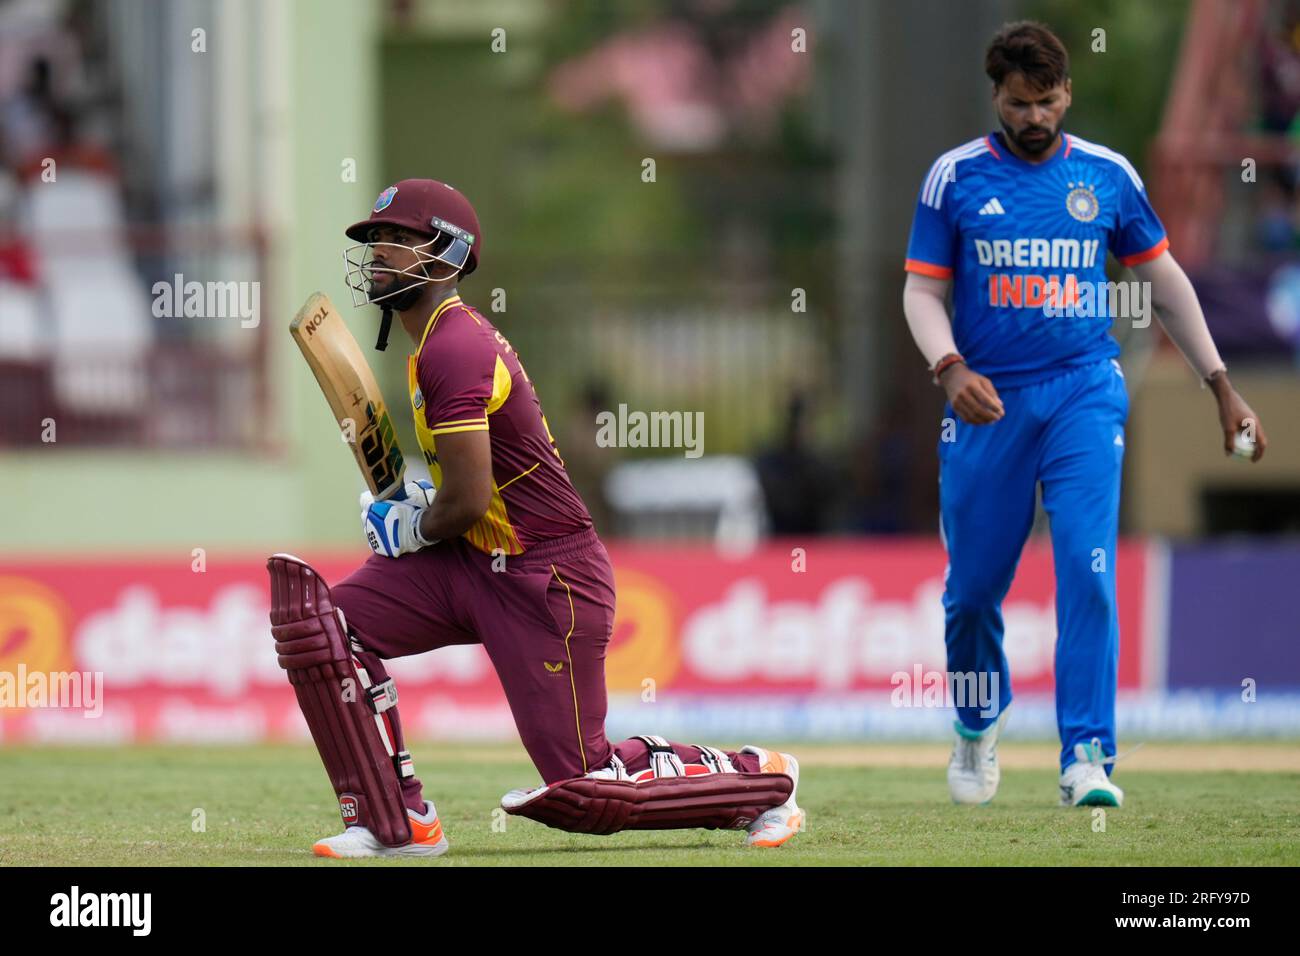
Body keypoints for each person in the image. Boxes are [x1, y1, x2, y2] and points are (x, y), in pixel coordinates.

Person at [269, 179, 804, 857]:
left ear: (449, 255)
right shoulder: (430, 345)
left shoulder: (453, 347)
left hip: (547, 579)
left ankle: (762, 781)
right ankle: (395, 822)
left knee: (584, 784)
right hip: (471, 563)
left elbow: (465, 500)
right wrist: (411, 500)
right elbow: (466, 494)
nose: (379, 255)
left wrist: (410, 528)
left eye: (398, 240)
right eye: (376, 241)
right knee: (323, 627)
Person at [901, 23, 1268, 808]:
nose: (1033, 117)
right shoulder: (954, 177)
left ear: (1067, 93)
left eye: (1046, 101)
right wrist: (950, 366)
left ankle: (1087, 758)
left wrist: (1220, 384)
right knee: (970, 593)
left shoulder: (1107, 176)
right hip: (987, 401)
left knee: (1089, 574)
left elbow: (1164, 281)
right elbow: (922, 292)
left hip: (1083, 389)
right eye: (1017, 103)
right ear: (996, 97)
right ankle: (976, 723)